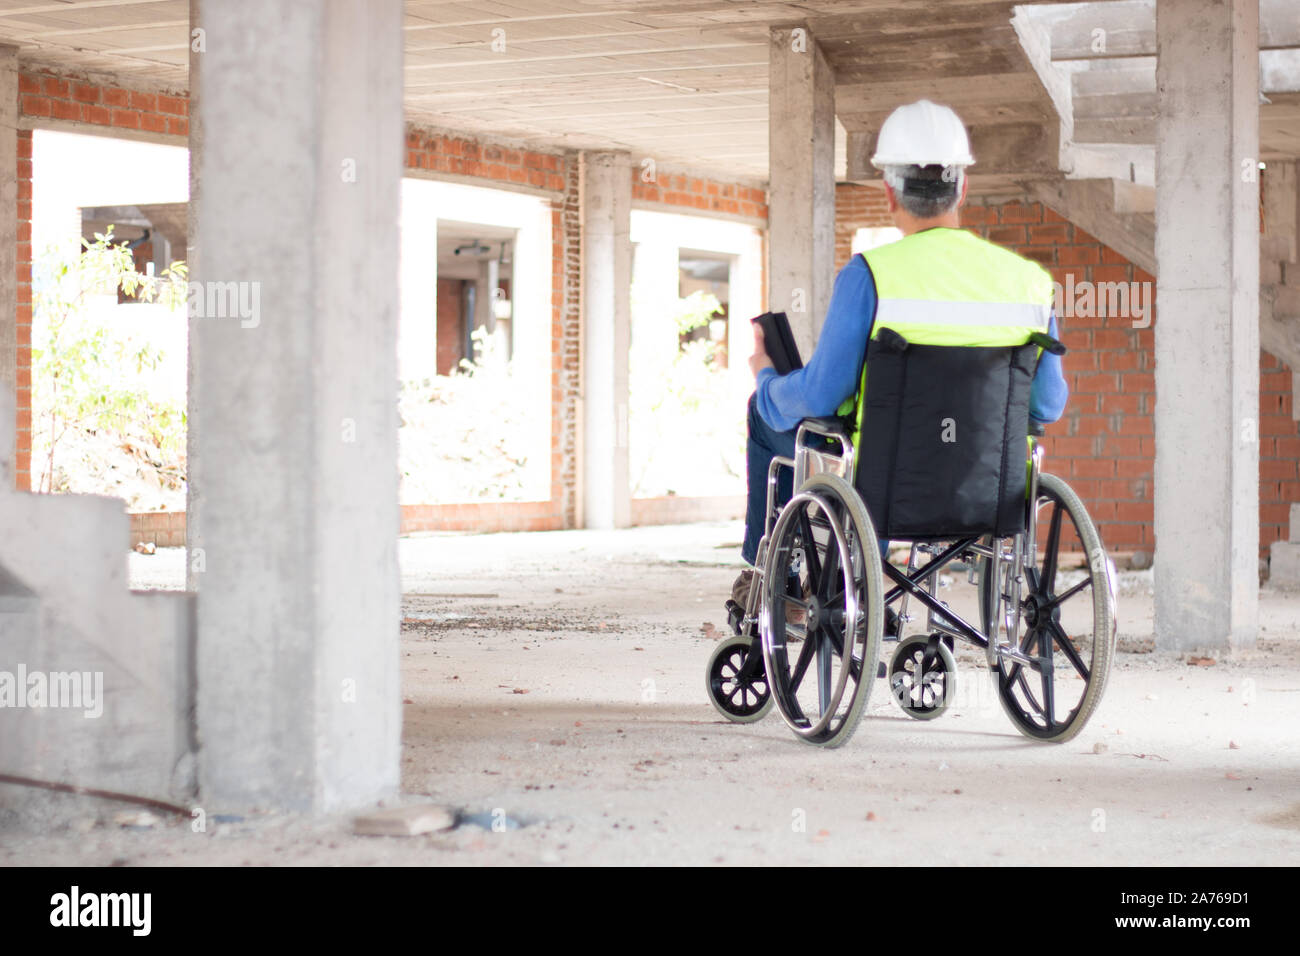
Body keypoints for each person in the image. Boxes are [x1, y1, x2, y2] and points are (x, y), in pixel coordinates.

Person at [732, 99, 1068, 607]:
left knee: (766, 415)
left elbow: (825, 394)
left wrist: (767, 382)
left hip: (888, 484)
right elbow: (1047, 407)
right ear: (963, 187)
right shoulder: (1030, 284)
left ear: (889, 192)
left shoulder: (871, 274)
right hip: (988, 487)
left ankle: (776, 582)